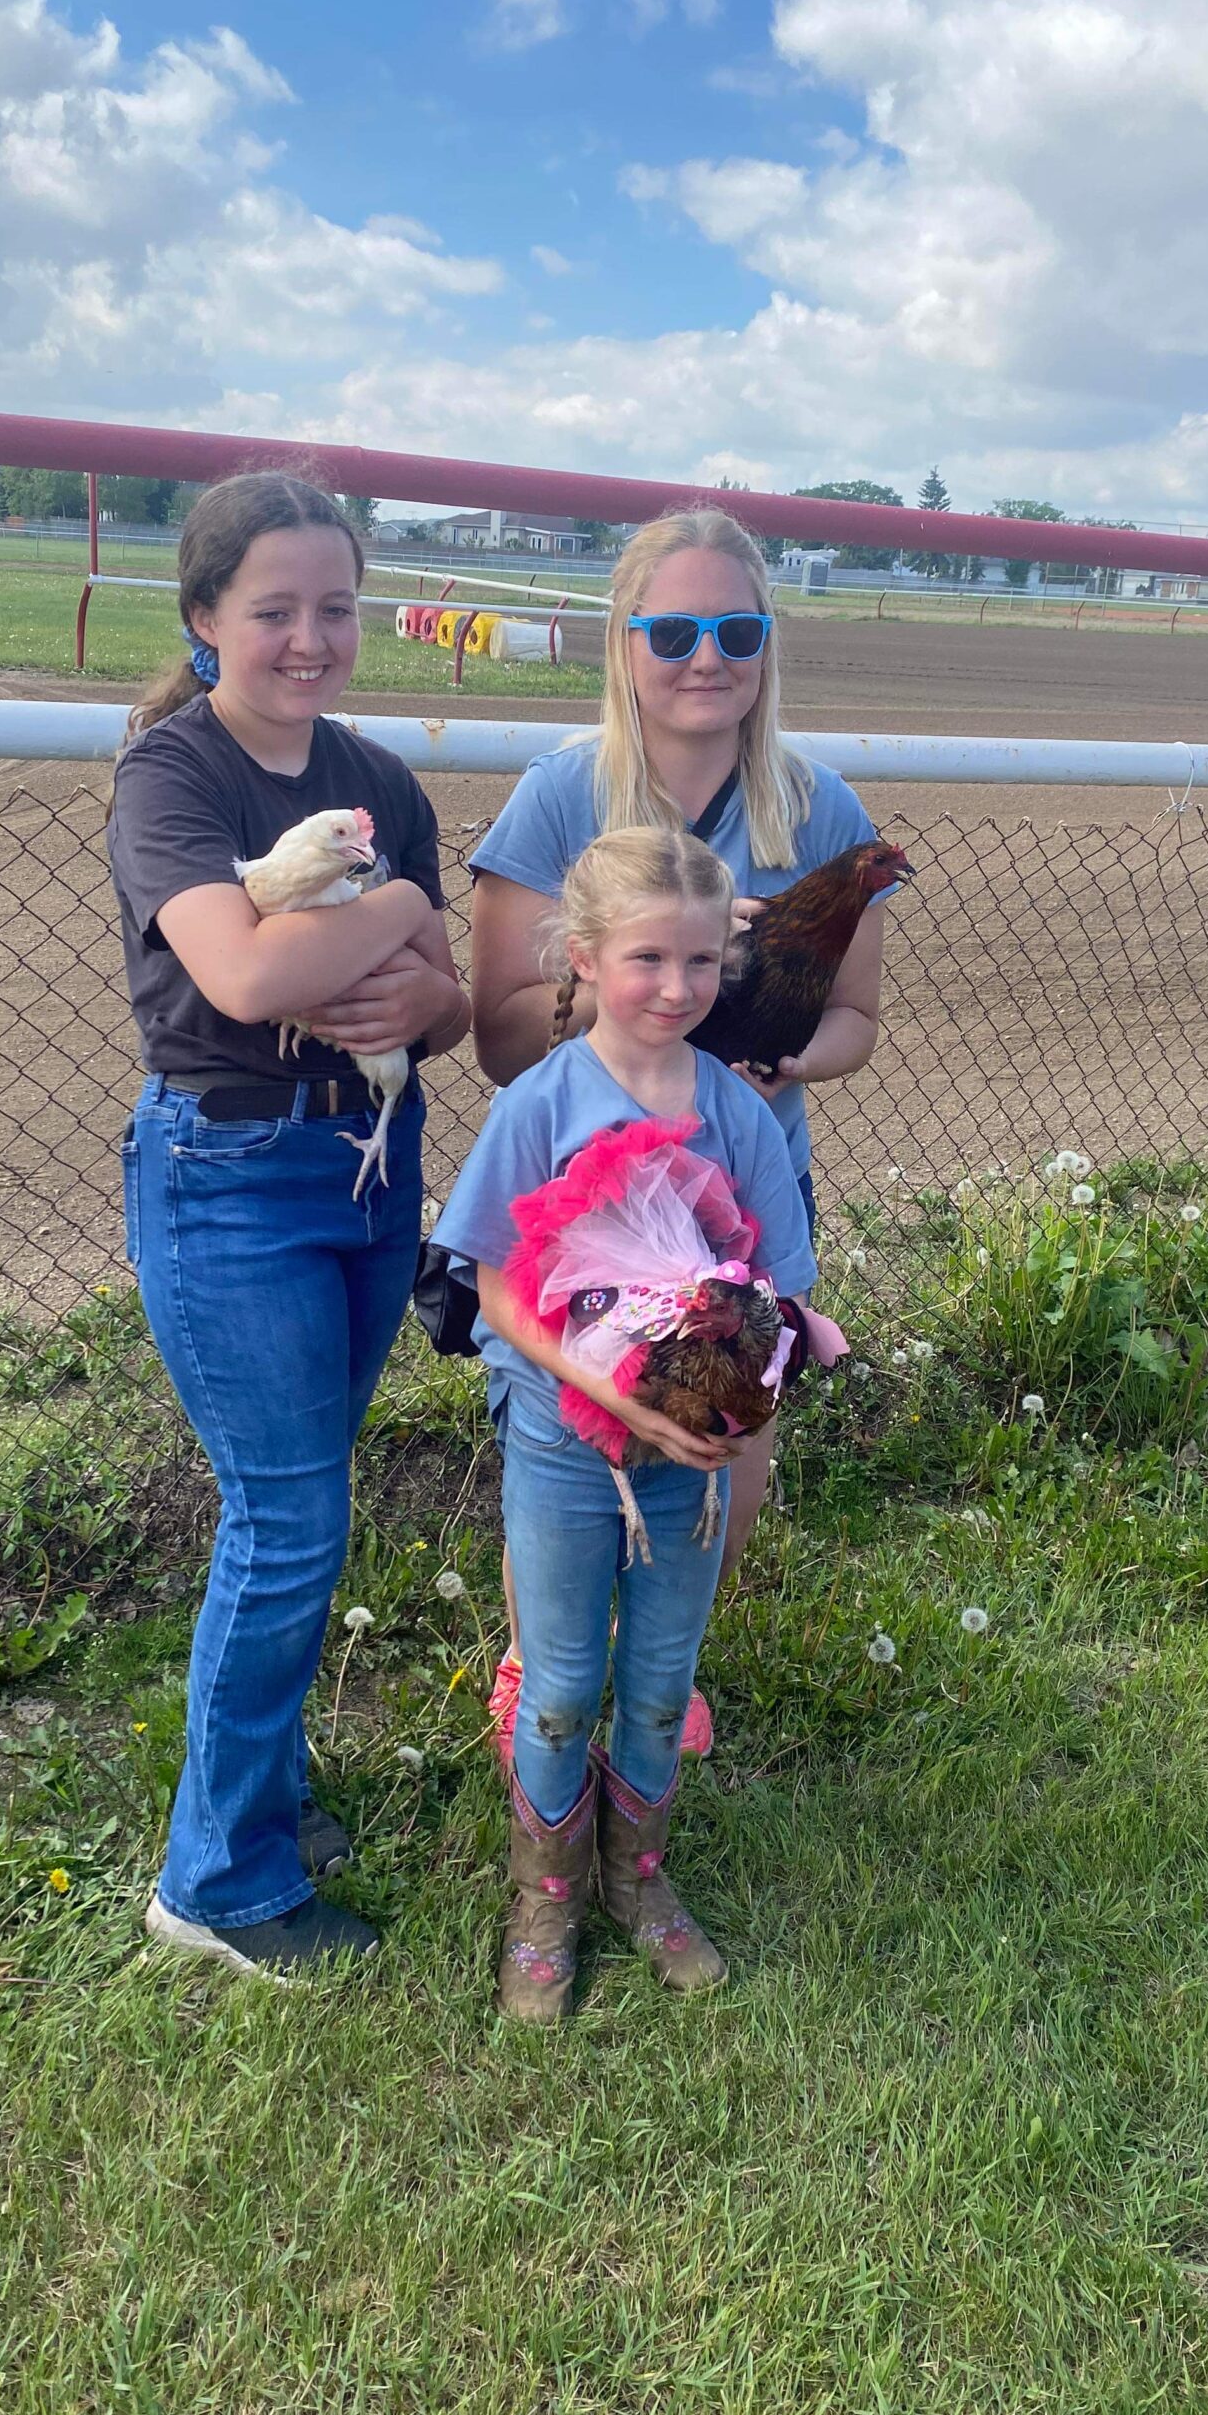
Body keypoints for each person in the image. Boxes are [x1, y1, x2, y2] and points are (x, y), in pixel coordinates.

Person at [107, 470, 471, 1980]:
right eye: (274, 611)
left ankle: (259, 1795)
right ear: (206, 621)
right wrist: (388, 926)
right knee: (287, 1523)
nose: (310, 638)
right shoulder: (170, 777)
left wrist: (415, 989)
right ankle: (218, 1885)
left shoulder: (382, 777)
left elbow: (448, 1002)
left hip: (367, 1174)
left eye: (336, 607)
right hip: (231, 1175)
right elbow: (246, 983)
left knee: (303, 1512)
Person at [469, 506, 901, 1760]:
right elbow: (502, 1036)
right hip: (591, 1207)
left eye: (736, 629)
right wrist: (654, 995)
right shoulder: (563, 795)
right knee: (564, 1421)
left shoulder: (820, 808)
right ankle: (537, 1654)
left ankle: (665, 1656)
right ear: (624, 645)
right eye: (672, 631)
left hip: (740, 1191)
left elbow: (858, 1019)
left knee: (732, 1419)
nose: (704, 656)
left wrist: (772, 1052)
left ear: (768, 644)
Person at [433, 828, 817, 2021]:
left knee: (659, 1678)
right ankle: (543, 1896)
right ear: (586, 957)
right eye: (648, 957)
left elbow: (781, 1288)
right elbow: (495, 1287)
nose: (676, 987)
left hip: (687, 1464)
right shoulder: (542, 1103)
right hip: (564, 1440)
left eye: (702, 963)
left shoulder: (740, 1119)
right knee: (558, 1681)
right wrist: (606, 1385)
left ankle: (636, 1876)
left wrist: (736, 1406)